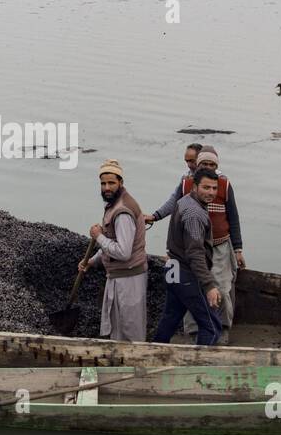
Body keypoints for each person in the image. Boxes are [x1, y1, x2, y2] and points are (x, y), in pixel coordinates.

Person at [146, 145, 244, 335]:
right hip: (192, 249)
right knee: (191, 293)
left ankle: (221, 330)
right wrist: (155, 216)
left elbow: (233, 217)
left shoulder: (224, 185)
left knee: (222, 290)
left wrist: (238, 249)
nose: (207, 167)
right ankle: (194, 332)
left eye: (211, 164)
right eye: (203, 163)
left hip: (220, 246)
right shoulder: (186, 184)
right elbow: (173, 204)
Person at [78, 160, 148, 342]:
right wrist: (92, 261)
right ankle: (119, 366)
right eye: (103, 183)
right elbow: (113, 242)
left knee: (130, 330)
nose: (106, 187)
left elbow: (123, 252)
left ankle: (134, 366)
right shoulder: (113, 205)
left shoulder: (122, 212)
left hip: (129, 278)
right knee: (119, 327)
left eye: (111, 183)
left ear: (121, 183)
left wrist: (98, 236)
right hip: (120, 276)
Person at [153, 168, 223, 346]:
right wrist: (209, 285)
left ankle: (155, 353)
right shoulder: (195, 214)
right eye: (206, 188)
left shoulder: (184, 201)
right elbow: (195, 253)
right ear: (195, 186)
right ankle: (198, 368)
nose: (211, 193)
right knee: (211, 327)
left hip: (172, 270)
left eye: (214, 188)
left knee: (170, 319)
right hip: (185, 274)